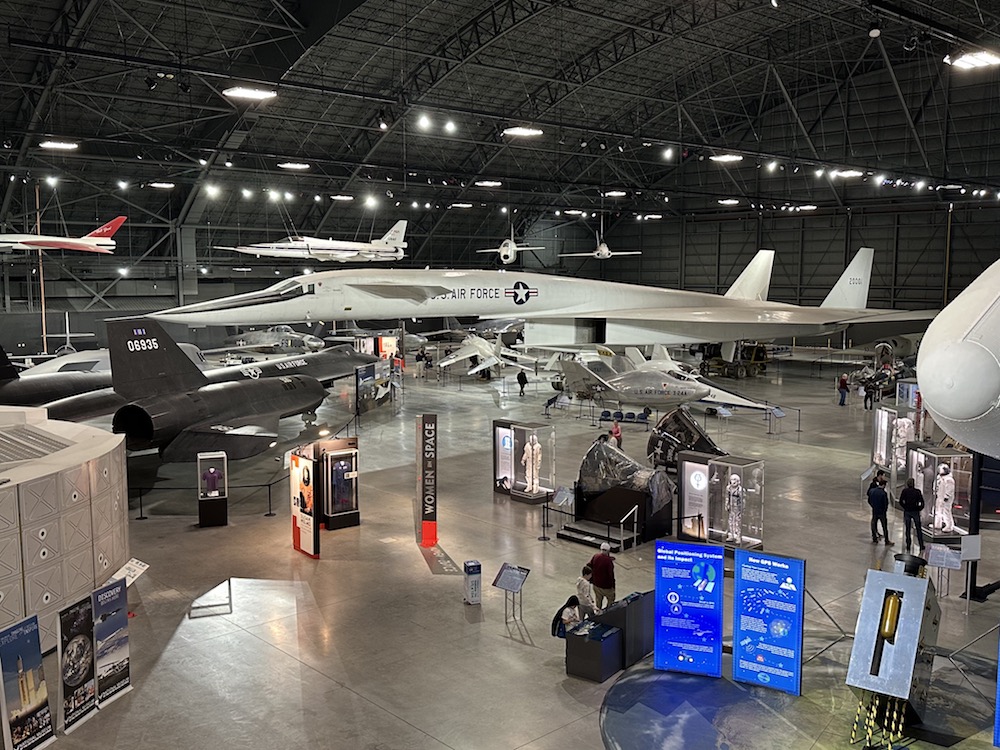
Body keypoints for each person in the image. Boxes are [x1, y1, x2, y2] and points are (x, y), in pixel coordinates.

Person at [898, 477, 926, 552]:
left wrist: (905, 507)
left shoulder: (905, 491)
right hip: (915, 511)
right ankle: (921, 544)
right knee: (918, 528)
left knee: (907, 529)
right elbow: (922, 503)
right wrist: (919, 508)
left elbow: (901, 501)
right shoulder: (917, 492)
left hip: (907, 511)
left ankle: (908, 545)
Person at [588, 542, 616, 609]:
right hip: (607, 587)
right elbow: (610, 575)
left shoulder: (595, 556)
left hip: (596, 584)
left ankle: (598, 613)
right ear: (608, 551)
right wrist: (613, 586)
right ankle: (608, 613)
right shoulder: (608, 562)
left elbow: (589, 566)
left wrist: (591, 579)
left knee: (598, 601)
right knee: (610, 600)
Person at [867, 473, 892, 545]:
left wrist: (873, 506)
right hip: (881, 512)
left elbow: (869, 500)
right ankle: (886, 540)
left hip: (875, 510)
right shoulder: (883, 493)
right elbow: (885, 503)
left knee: (873, 523)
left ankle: (874, 538)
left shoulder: (872, 491)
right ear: (884, 485)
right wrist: (884, 510)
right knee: (884, 526)